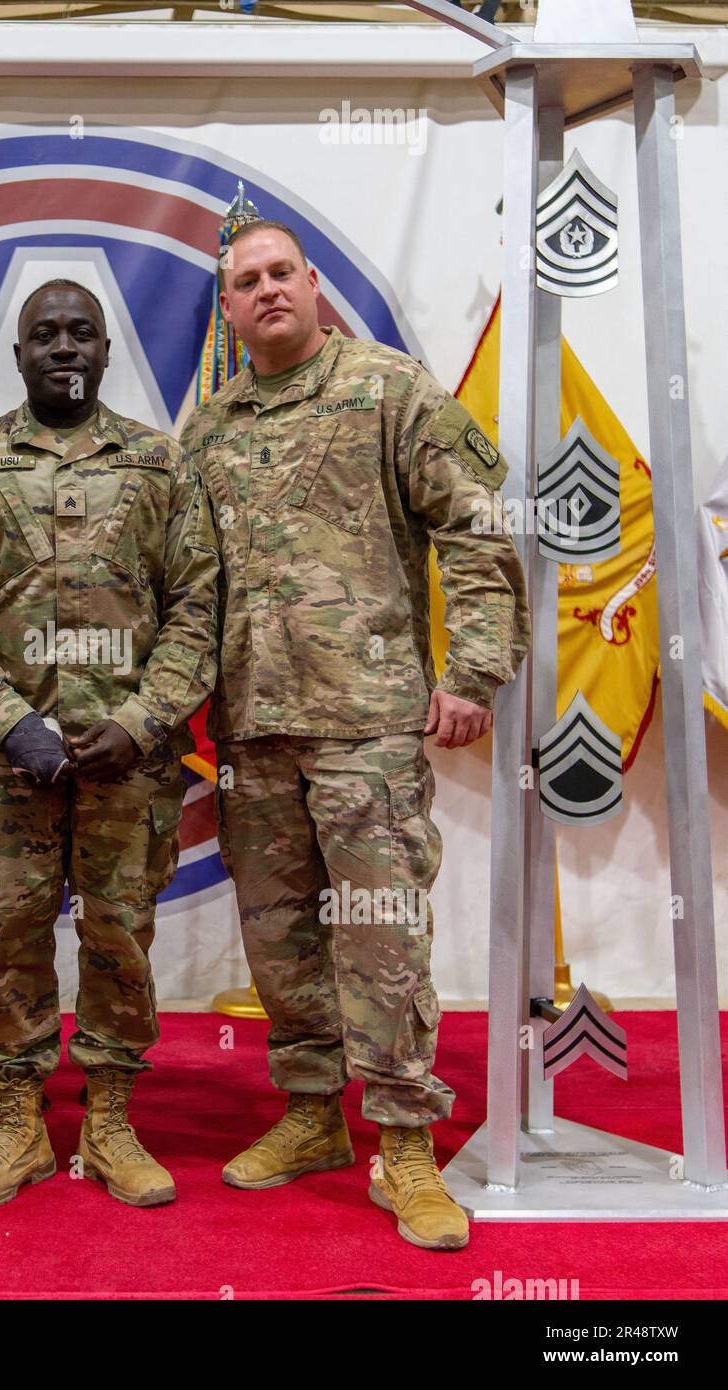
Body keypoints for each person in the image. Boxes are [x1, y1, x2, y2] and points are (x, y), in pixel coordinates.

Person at [180, 221, 529, 1251]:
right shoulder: (208, 429)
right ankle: (310, 1114)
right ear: (229, 310)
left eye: (280, 272)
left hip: (366, 723)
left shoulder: (392, 391)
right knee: (279, 935)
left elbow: (473, 530)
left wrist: (472, 670)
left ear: (312, 282)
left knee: (380, 934)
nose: (266, 291)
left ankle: (406, 1143)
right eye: (245, 282)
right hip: (249, 726)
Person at [0, 280, 219, 1210]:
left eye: (82, 332)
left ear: (108, 350)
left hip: (132, 762)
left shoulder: (162, 465)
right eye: (44, 334)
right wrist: (9, 720)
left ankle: (113, 1120)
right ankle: (18, 1123)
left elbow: (200, 607)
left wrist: (144, 719)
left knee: (120, 936)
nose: (64, 348)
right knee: (11, 937)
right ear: (17, 355)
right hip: (9, 767)